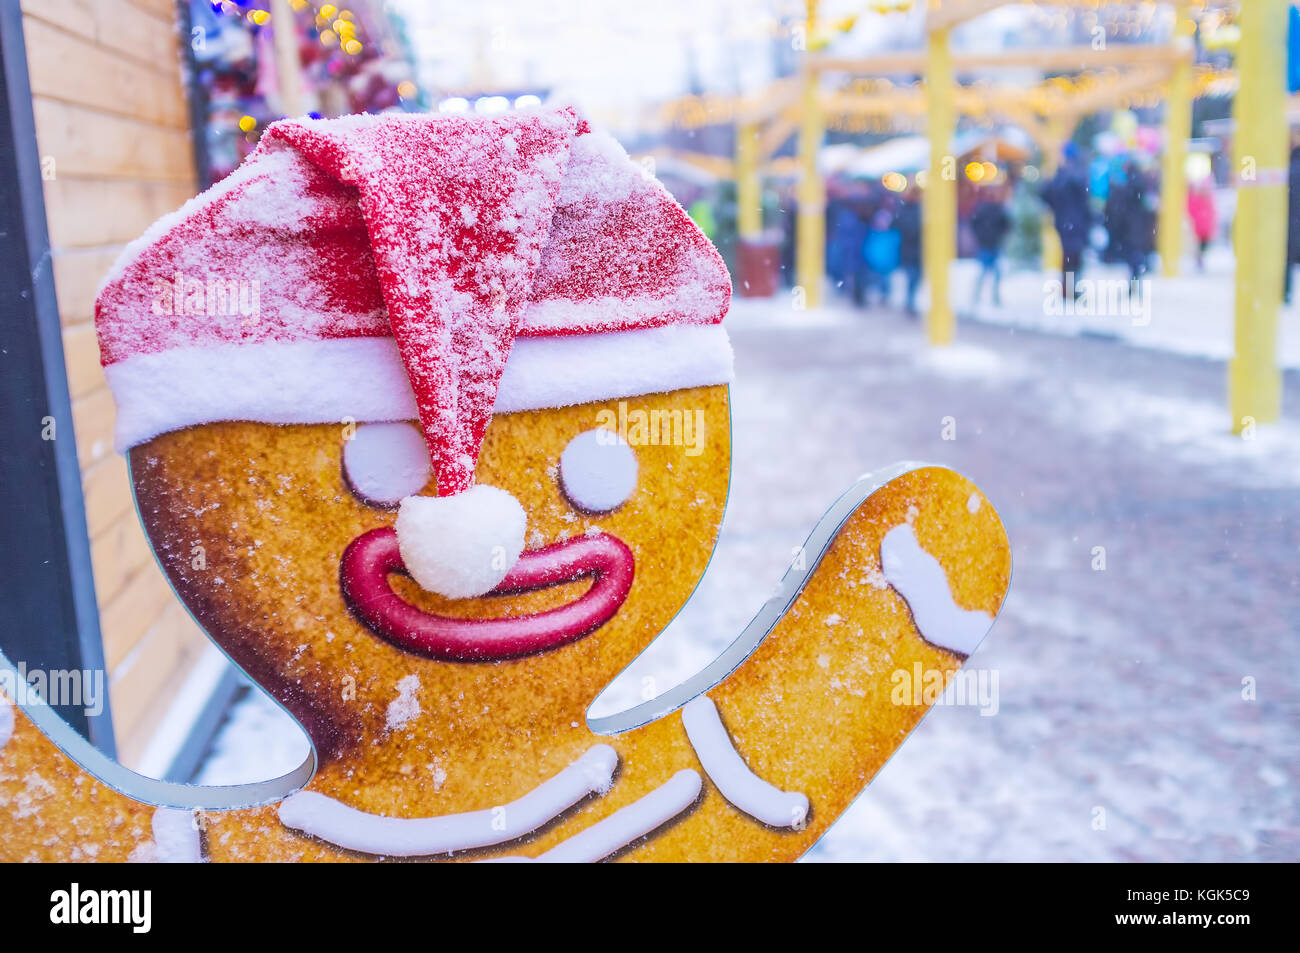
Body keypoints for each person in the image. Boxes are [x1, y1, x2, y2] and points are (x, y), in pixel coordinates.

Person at [1041, 143, 1092, 298]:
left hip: (1066, 223)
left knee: (1069, 257)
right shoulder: (1078, 175)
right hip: (1076, 223)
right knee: (1075, 257)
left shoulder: (1061, 177)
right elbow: (1085, 201)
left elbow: (1046, 194)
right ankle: (1071, 288)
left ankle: (1068, 289)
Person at [970, 188, 1012, 307]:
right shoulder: (987, 209)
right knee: (987, 271)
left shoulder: (992, 209)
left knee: (992, 271)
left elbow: (1006, 225)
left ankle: (989, 296)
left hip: (992, 244)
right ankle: (981, 296)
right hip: (988, 244)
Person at [896, 187, 923, 316]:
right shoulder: (915, 210)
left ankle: (910, 301)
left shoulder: (904, 209)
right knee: (913, 277)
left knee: (914, 277)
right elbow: (908, 228)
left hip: (911, 248)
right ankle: (910, 302)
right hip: (913, 248)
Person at [1186, 179, 1217, 273]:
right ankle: (1199, 260)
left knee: (1204, 245)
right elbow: (1191, 211)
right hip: (1198, 227)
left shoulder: (1207, 199)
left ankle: (1200, 259)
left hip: (1205, 227)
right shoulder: (1196, 199)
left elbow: (1212, 213)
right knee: (1199, 245)